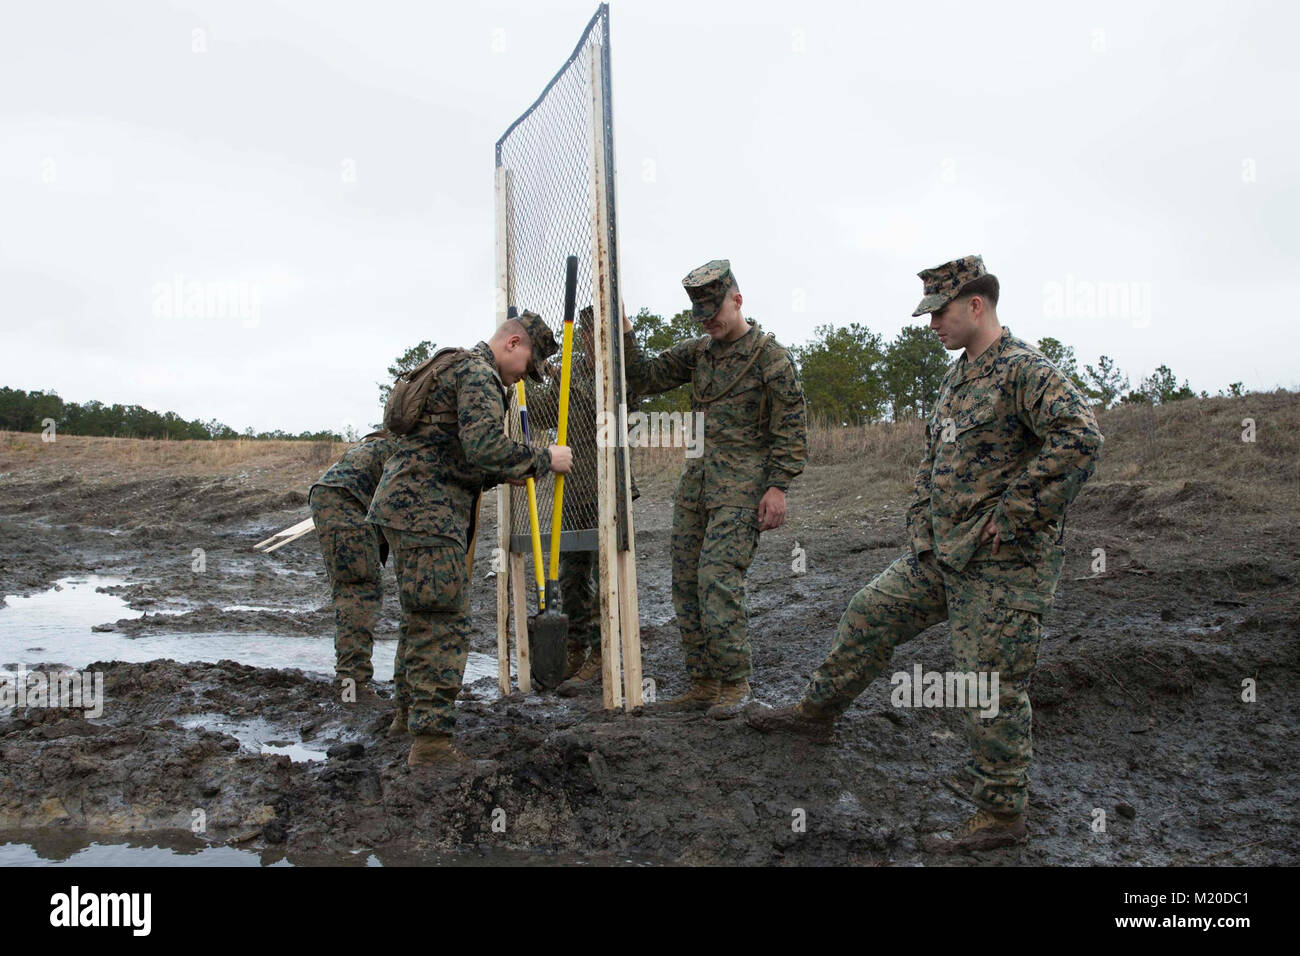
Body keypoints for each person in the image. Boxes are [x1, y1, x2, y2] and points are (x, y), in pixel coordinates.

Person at [747, 255, 1102, 852]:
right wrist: (920, 526)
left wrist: (1015, 515)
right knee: (869, 610)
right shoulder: (957, 377)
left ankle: (1000, 815)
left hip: (1004, 566)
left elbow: (1080, 437)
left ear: (975, 304)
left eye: (938, 311)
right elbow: (934, 460)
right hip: (943, 555)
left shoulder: (1024, 370)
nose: (930, 323)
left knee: (987, 686)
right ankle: (816, 714)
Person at [367, 312, 572, 769]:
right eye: (528, 364)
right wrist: (544, 458)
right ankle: (433, 746)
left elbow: (460, 451)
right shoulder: (479, 373)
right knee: (444, 622)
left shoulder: (457, 367)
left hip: (406, 509)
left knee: (421, 618)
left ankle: (407, 718)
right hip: (429, 515)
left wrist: (505, 470)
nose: (524, 377)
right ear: (513, 343)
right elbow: (483, 447)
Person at [621, 260, 808, 718]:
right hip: (696, 488)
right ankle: (703, 682)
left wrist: (777, 487)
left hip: (743, 491)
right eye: (700, 315)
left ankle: (734, 682)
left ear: (737, 300)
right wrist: (622, 328)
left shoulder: (772, 358)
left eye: (714, 311)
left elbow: (792, 430)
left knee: (717, 579)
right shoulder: (698, 352)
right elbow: (643, 375)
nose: (709, 321)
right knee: (684, 582)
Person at [528, 306, 640, 696]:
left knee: (608, 573)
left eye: (600, 336)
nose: (593, 343)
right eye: (589, 335)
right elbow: (540, 412)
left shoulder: (620, 372)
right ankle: (576, 647)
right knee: (572, 578)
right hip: (572, 491)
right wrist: (533, 383)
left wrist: (567, 380)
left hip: (608, 489)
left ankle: (602, 654)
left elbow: (623, 403)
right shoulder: (569, 374)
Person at [308, 430, 397, 697]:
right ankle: (352, 684)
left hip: (339, 500)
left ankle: (352, 681)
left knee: (356, 589)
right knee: (358, 592)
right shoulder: (404, 448)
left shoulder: (388, 444)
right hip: (345, 503)